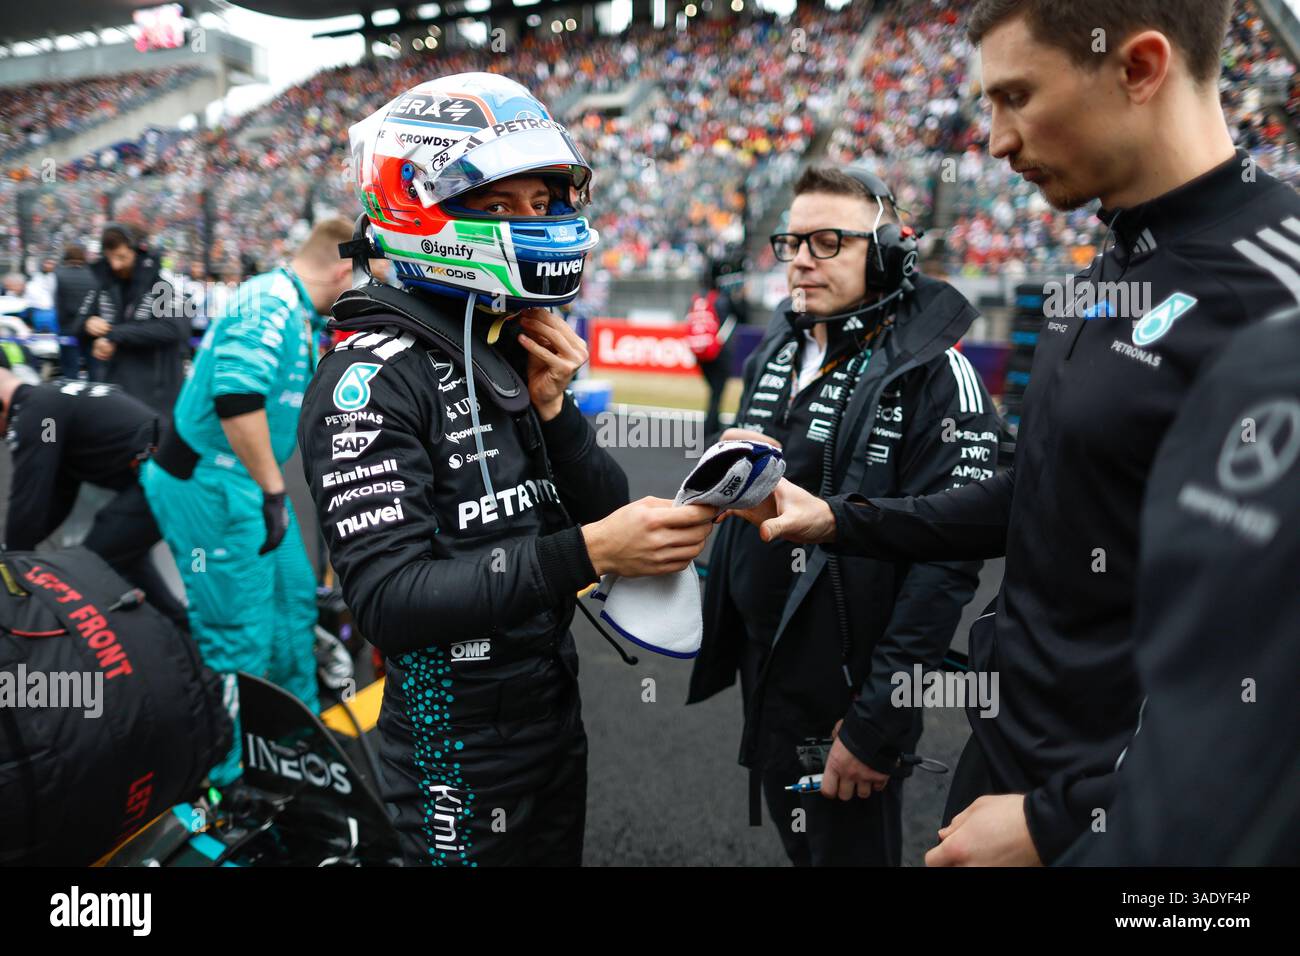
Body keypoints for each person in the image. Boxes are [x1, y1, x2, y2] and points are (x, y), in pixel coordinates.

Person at [727, 0, 1300, 866]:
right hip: (1008, 763)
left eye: (1016, 97)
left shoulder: (1276, 296)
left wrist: (1062, 818)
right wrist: (839, 520)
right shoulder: (1112, 266)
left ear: (1138, 68)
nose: (993, 139)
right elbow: (1041, 492)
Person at [299, 72, 716, 867]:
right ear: (419, 207)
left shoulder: (503, 343)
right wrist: (588, 556)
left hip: (549, 713)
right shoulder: (371, 377)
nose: (535, 224)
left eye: (544, 203)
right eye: (498, 206)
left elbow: (604, 508)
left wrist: (557, 417)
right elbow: (389, 601)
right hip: (450, 747)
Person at [688, 165, 999, 867]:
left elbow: (945, 564)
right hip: (765, 663)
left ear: (887, 253)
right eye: (792, 241)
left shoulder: (939, 377)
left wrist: (877, 722)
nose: (801, 259)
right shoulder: (783, 343)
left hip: (848, 691)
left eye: (828, 241)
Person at [1064, 308, 1300, 865]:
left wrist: (1056, 819)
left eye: (829, 243)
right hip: (1050, 739)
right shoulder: (1268, 355)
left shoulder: (1264, 329)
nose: (809, 261)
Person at [140, 217, 356, 787]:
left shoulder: (301, 313)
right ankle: (227, 778)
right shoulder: (269, 301)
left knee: (292, 604)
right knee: (239, 633)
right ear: (342, 270)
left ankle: (297, 743)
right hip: (212, 482)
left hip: (245, 482)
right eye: (368, 277)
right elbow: (236, 400)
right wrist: (275, 492)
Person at [0, 360, 186, 628]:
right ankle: (183, 639)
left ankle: (105, 649)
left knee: (89, 567)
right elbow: (59, 494)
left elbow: (28, 497)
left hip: (162, 478)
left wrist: (12, 565)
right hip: (165, 473)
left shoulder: (36, 413)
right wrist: (17, 550)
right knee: (126, 561)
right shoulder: (52, 399)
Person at [76, 224, 184, 423]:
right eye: (110, 258)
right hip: (113, 385)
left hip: (154, 393)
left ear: (138, 253)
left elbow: (171, 328)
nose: (115, 265)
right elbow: (79, 323)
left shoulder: (163, 286)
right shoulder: (103, 286)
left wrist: (113, 334)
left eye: (122, 257)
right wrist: (88, 325)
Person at [686, 254, 746, 439]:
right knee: (717, 394)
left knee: (714, 391)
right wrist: (740, 296)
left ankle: (714, 425)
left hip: (701, 353)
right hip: (719, 352)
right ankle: (709, 432)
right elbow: (743, 316)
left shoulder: (698, 298)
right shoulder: (722, 299)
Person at [53, 245, 96, 378]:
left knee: (70, 368)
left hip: (68, 327)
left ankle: (71, 397)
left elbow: (56, 302)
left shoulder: (58, 274)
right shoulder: (94, 274)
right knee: (94, 368)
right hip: (90, 327)